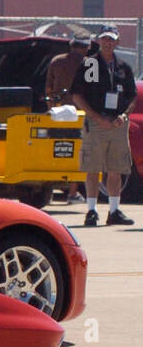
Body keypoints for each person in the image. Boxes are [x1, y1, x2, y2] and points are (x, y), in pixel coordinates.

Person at [71, 26, 136, 226]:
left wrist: (124, 116)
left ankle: (114, 211)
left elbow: (132, 96)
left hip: (117, 123)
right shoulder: (90, 64)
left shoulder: (123, 67)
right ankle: (91, 211)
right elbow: (77, 95)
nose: (108, 42)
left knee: (115, 169)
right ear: (99, 41)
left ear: (117, 42)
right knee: (93, 167)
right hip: (96, 123)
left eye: (112, 39)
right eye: (104, 39)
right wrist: (95, 116)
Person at [46, 35, 91, 204]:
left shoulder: (57, 61)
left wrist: (51, 108)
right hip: (79, 113)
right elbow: (92, 89)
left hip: (58, 112)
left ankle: (48, 189)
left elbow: (48, 87)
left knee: (55, 150)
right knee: (77, 152)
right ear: (86, 47)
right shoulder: (89, 63)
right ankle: (73, 193)